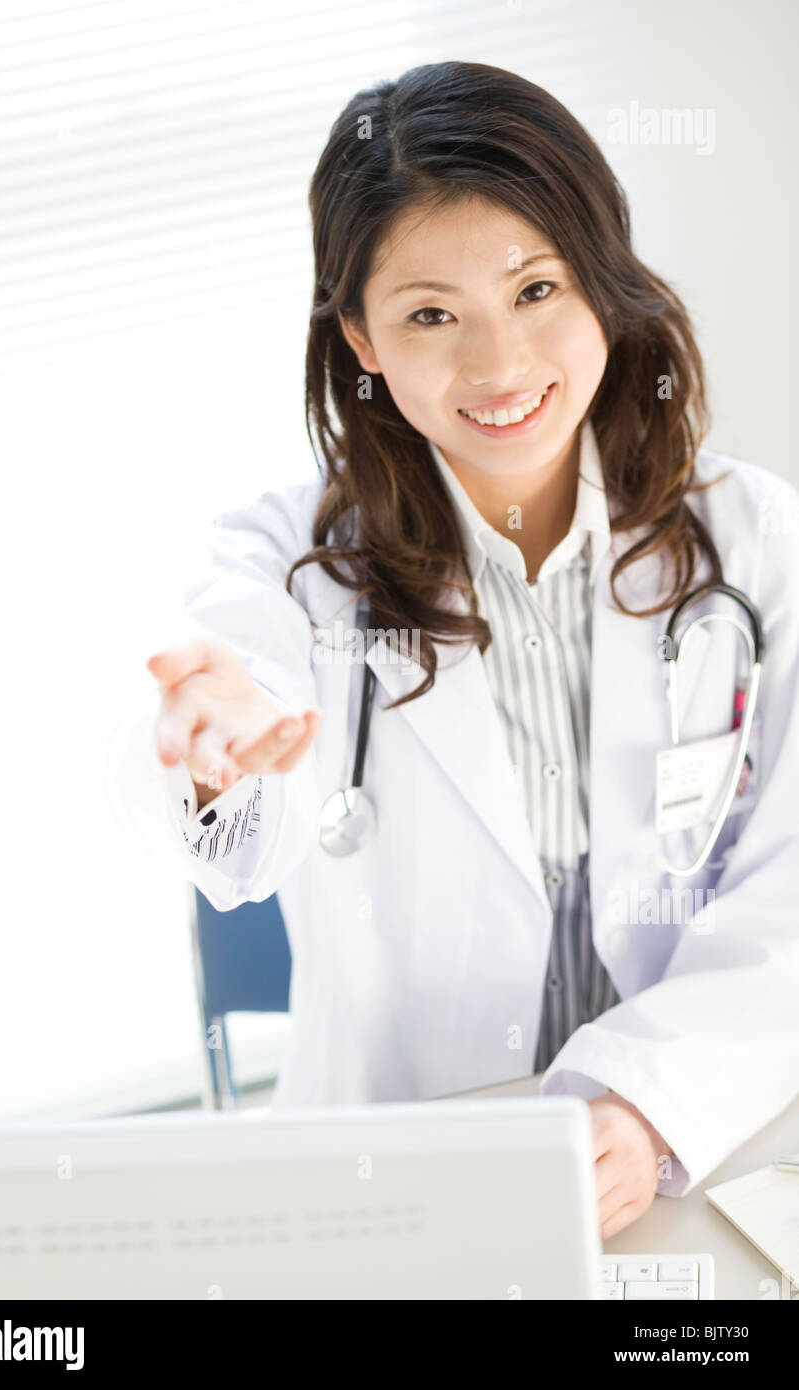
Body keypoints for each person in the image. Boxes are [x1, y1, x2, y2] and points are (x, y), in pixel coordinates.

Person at [108, 62, 799, 1240]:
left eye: (535, 287)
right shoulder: (288, 559)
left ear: (602, 274)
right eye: (431, 313)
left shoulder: (753, 544)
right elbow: (231, 693)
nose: (497, 364)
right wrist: (216, 755)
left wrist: (646, 1103)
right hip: (394, 1175)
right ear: (360, 338)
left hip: (680, 1154)